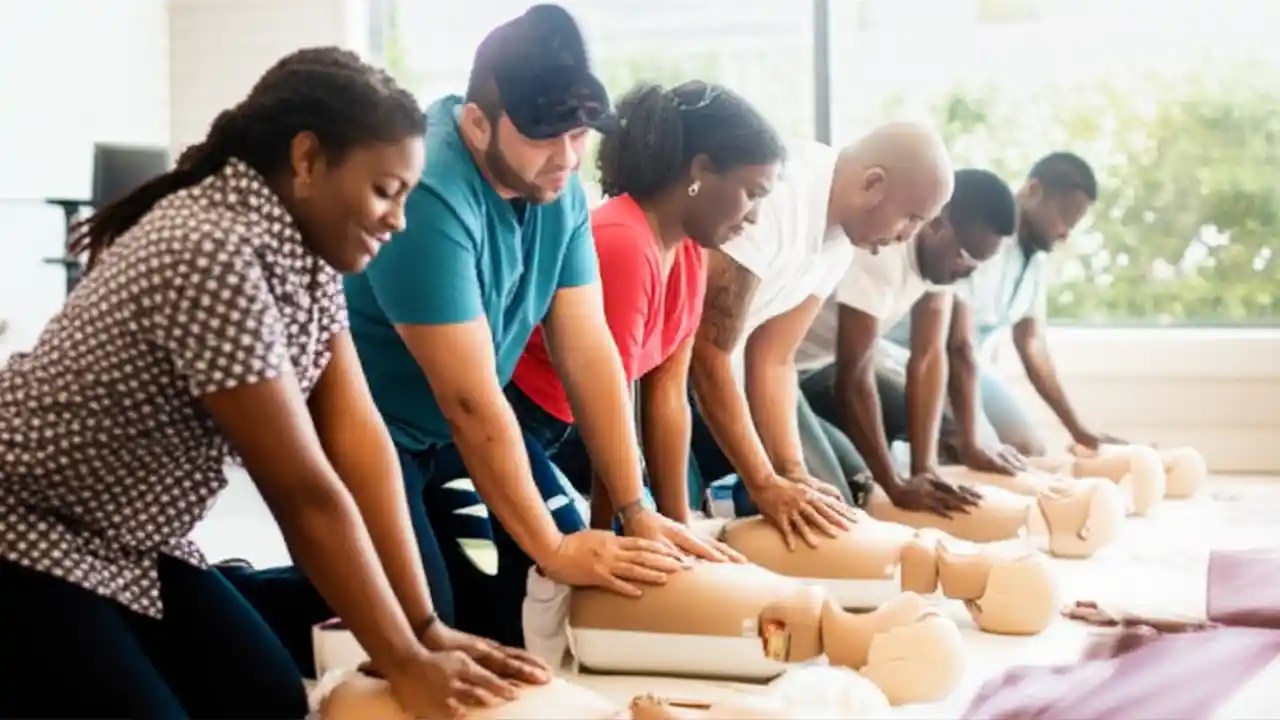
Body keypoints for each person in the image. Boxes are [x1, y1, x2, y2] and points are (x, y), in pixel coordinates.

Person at [0, 48, 544, 720]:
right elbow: (302, 492)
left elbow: (358, 442)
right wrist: (404, 661)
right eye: (385, 191)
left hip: (132, 538)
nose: (398, 220)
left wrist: (423, 629)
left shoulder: (308, 253)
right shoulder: (211, 249)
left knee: (266, 699)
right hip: (27, 532)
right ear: (309, 159)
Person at [341, 4, 717, 649]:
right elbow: (468, 399)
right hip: (373, 432)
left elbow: (588, 346)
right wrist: (553, 546)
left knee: (523, 604)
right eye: (546, 136)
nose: (568, 158)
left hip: (453, 429)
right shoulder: (430, 189)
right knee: (431, 627)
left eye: (580, 136)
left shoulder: (555, 183)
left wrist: (636, 508)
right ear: (480, 122)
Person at [508, 80, 785, 532]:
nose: (754, 215)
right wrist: (614, 533)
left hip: (574, 432)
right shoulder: (624, 242)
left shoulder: (691, 250)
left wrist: (679, 525)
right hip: (522, 423)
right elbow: (605, 399)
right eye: (752, 193)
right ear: (701, 171)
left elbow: (668, 396)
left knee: (677, 550)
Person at [688, 123, 955, 550]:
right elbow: (707, 352)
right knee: (687, 524)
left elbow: (774, 358)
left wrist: (792, 473)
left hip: (715, 370)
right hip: (662, 373)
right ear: (873, 184)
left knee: (834, 502)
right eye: (911, 218)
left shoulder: (842, 237)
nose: (908, 236)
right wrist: (764, 482)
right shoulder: (779, 196)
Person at [796, 169, 1020, 517]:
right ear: (936, 223)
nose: (967, 272)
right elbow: (853, 381)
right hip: (779, 372)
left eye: (979, 264)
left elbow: (929, 358)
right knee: (845, 495)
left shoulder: (945, 263)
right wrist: (895, 485)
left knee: (934, 442)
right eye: (965, 257)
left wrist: (924, 468)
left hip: (821, 367)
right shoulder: (884, 248)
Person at [881, 152, 1117, 461]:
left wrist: (1078, 430)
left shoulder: (1034, 259)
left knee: (1028, 450)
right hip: (910, 352)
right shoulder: (981, 231)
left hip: (971, 364)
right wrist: (973, 441)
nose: (1066, 233)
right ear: (1033, 190)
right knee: (982, 450)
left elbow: (1030, 343)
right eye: (1064, 217)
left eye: (1074, 225)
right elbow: (958, 346)